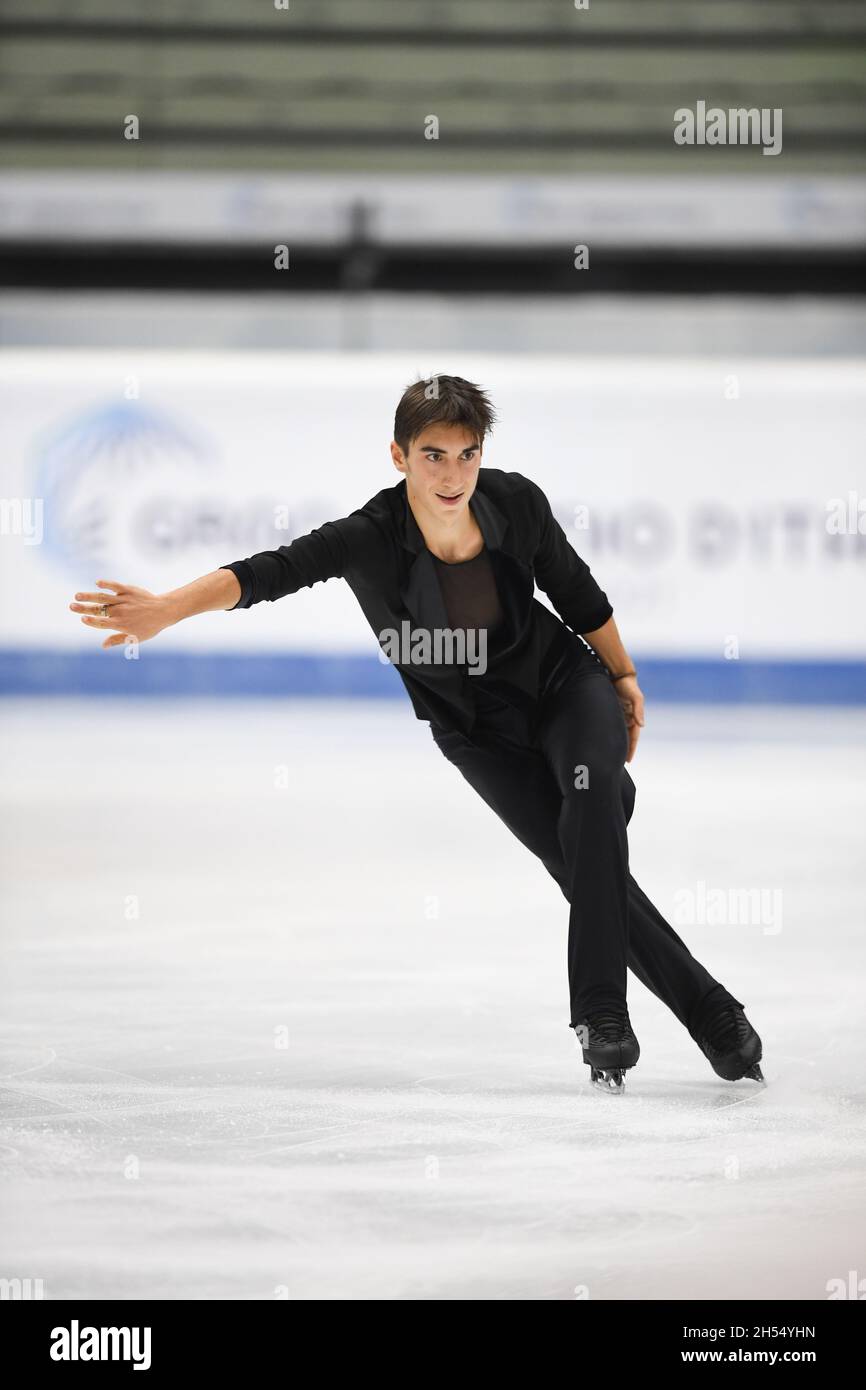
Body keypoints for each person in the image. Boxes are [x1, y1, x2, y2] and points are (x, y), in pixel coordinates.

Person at [69, 374, 764, 1093]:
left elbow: (579, 595)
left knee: (589, 805)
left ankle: (603, 1019)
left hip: (563, 688)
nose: (453, 474)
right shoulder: (368, 538)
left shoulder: (516, 503)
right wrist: (168, 609)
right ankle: (713, 1013)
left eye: (467, 454)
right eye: (434, 455)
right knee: (581, 854)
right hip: (475, 735)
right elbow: (268, 572)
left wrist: (621, 677)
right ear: (399, 456)